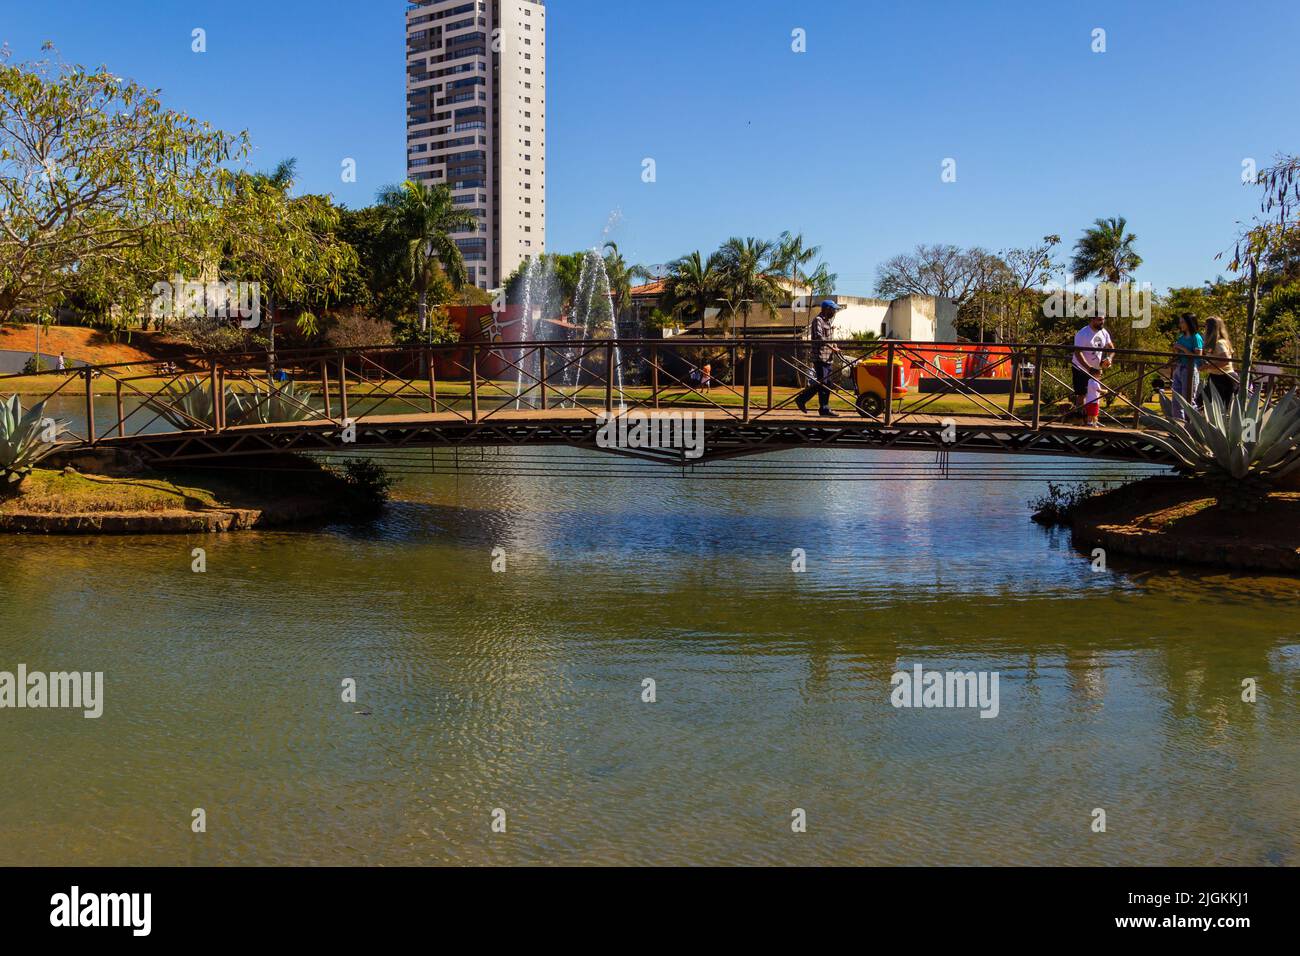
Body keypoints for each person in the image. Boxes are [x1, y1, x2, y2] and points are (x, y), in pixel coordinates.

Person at [796, 301, 841, 417]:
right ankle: (818, 406)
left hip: (828, 357)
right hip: (820, 357)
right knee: (823, 382)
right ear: (826, 309)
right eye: (833, 309)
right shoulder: (818, 320)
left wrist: (834, 346)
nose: (835, 312)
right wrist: (832, 347)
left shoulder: (829, 321)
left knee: (827, 383)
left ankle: (811, 403)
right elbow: (819, 337)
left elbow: (830, 338)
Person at [1071, 314, 1113, 427]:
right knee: (1082, 394)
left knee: (1094, 394)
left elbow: (1111, 348)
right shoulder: (1083, 333)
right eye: (1099, 320)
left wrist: (1108, 358)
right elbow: (1078, 352)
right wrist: (1089, 368)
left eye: (1103, 320)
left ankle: (1092, 419)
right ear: (1092, 319)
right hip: (1080, 368)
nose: (1102, 322)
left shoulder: (1104, 332)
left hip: (1096, 370)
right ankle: (1080, 419)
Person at [1170, 313, 1203, 421]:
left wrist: (1182, 348)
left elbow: (1198, 355)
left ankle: (1193, 426)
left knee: (1188, 399)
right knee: (1176, 399)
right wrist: (1176, 350)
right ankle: (1179, 426)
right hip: (1179, 368)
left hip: (1190, 369)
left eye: (1182, 322)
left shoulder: (1196, 337)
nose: (1180, 324)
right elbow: (1179, 352)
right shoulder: (1181, 337)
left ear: (1189, 322)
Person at [1202, 315, 1237, 405]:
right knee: (1204, 402)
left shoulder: (1219, 343)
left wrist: (1207, 366)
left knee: (1206, 404)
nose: (1204, 329)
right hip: (1216, 377)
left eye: (1205, 326)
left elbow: (1225, 361)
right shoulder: (1217, 343)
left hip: (1225, 378)